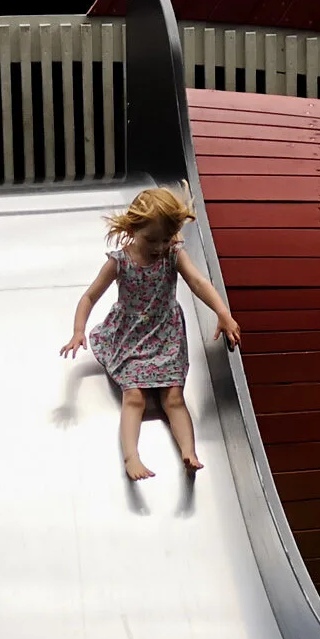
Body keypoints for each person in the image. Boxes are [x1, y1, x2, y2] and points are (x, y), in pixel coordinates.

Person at [60, 186, 241, 480]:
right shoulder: (119, 262)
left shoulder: (173, 254)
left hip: (165, 335)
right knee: (134, 397)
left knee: (174, 397)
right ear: (133, 229)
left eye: (166, 238)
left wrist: (222, 313)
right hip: (129, 336)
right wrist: (78, 331)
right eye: (151, 239)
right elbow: (89, 297)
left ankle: (189, 452)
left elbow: (198, 282)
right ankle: (131, 457)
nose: (159, 246)